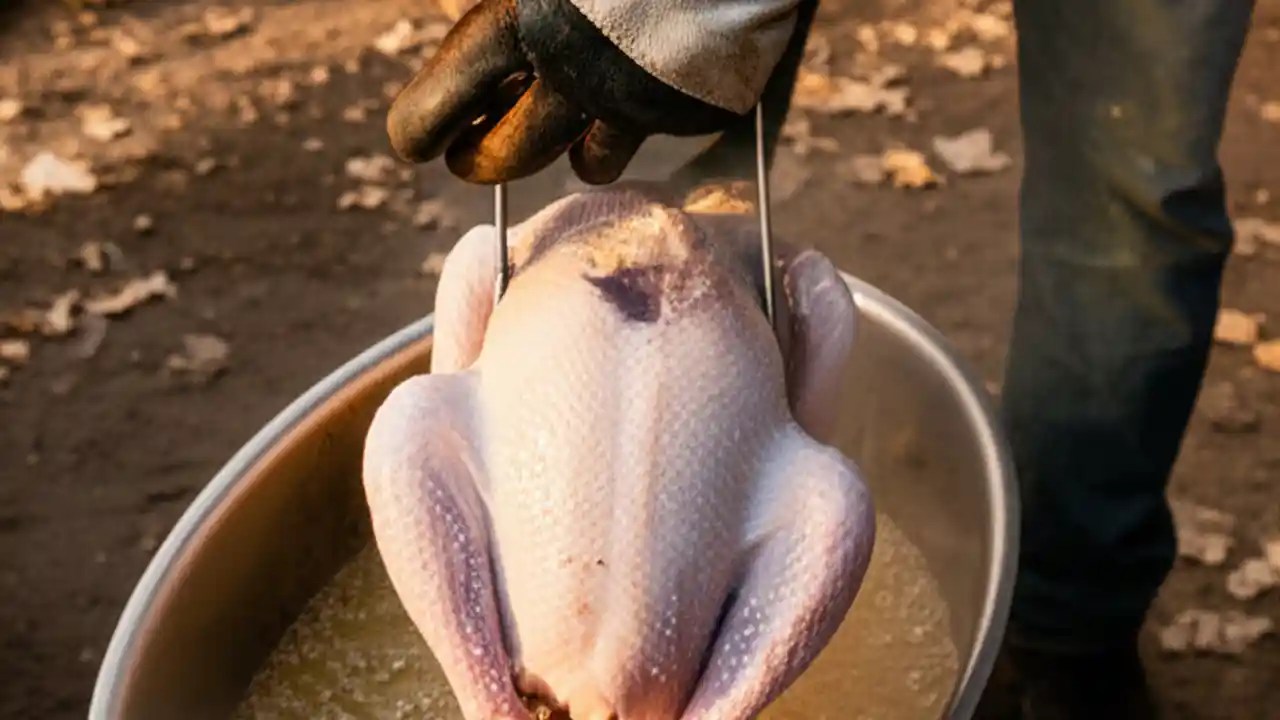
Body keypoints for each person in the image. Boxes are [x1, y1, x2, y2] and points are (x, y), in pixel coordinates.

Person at [384, 1, 1257, 717]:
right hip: (682, 340)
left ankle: (1071, 633)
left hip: (617, 349)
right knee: (636, 105)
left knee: (1137, 195)